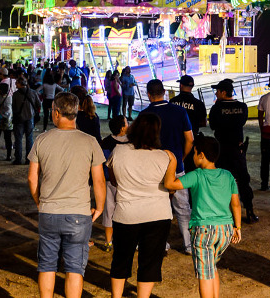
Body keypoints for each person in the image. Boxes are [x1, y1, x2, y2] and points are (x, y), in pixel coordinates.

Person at [27, 92, 106, 298]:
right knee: (74, 268)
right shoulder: (90, 142)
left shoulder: (42, 140)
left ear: (56, 113)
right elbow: (99, 180)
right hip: (79, 212)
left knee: (47, 265)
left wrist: (39, 202)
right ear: (76, 113)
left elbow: (32, 178)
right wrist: (100, 207)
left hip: (49, 211)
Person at [164, 134, 243, 298]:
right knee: (212, 268)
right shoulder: (228, 175)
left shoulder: (197, 175)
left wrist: (173, 162)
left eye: (194, 153)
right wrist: (238, 227)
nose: (192, 156)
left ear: (201, 155)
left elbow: (170, 184)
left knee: (205, 275)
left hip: (203, 231)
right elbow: (236, 204)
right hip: (225, 231)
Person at [106, 112, 172, 298]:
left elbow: (113, 180)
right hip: (158, 215)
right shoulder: (164, 157)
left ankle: (116, 296)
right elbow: (170, 187)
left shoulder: (118, 151)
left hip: (126, 214)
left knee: (121, 259)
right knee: (150, 262)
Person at [143, 79, 194, 254]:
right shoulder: (180, 111)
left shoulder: (145, 115)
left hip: (153, 168)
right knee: (183, 207)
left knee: (157, 207)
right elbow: (190, 139)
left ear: (148, 94)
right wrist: (181, 157)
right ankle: (188, 244)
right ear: (164, 92)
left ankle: (162, 244)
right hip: (177, 166)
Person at [208, 78, 258, 223]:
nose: (216, 93)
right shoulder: (242, 107)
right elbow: (241, 122)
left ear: (224, 92)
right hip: (237, 150)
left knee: (220, 182)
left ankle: (220, 212)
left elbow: (213, 126)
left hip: (221, 150)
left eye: (217, 91)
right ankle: (249, 211)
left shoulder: (216, 108)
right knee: (243, 181)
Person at [100, 115, 129, 252]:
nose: (128, 124)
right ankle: (127, 240)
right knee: (127, 209)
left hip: (109, 182)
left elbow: (102, 165)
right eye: (126, 122)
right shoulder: (131, 142)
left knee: (109, 210)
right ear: (122, 128)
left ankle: (108, 241)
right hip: (127, 181)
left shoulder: (106, 142)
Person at [170, 75, 207, 173]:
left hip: (175, 140)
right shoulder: (198, 104)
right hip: (192, 139)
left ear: (181, 85)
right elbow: (204, 123)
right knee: (191, 169)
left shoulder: (172, 102)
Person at [12, 76, 40, 165]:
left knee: (18, 139)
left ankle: (18, 159)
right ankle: (28, 159)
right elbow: (38, 104)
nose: (15, 84)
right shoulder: (33, 92)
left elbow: (13, 107)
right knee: (29, 138)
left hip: (19, 119)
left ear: (20, 84)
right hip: (30, 118)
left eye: (16, 83)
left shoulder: (15, 94)